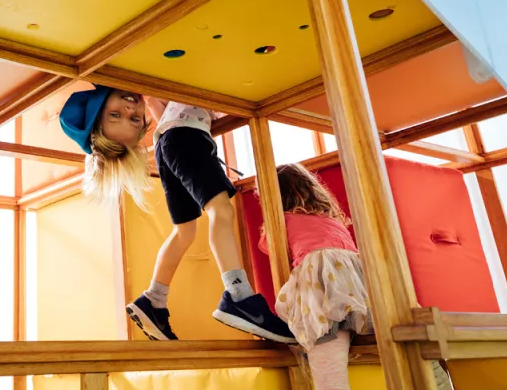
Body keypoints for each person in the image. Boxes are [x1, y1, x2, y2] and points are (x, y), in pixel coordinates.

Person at [59, 85, 295, 343]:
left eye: (127, 117)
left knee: (184, 230)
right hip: (185, 139)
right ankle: (239, 295)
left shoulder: (153, 88)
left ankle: (154, 300)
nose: (128, 109)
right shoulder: (168, 90)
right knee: (221, 210)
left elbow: (153, 100)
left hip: (168, 145)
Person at [262, 164, 452, 390]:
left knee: (328, 359)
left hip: (325, 288)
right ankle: (437, 378)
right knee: (404, 338)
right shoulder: (331, 221)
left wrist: (269, 225)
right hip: (363, 286)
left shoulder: (283, 221)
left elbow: (269, 247)